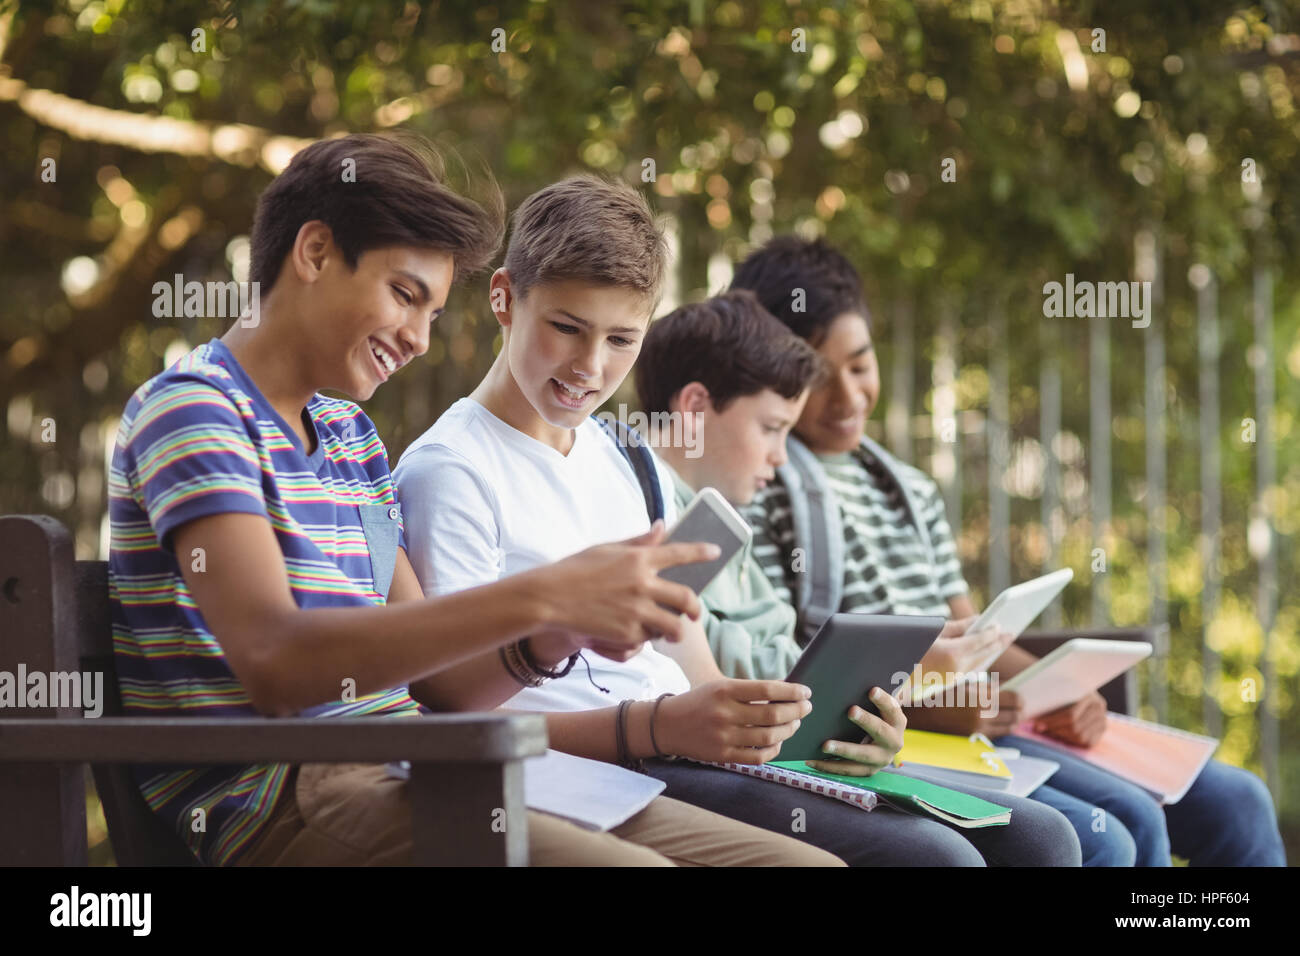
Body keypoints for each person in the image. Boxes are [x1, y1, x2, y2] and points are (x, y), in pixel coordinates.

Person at [107, 131, 831, 868]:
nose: (420, 338)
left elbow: (446, 685)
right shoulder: (197, 410)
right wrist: (546, 597)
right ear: (315, 252)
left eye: (431, 309)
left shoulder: (348, 436)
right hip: (287, 793)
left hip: (422, 766)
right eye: (404, 295)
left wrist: (561, 630)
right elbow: (275, 661)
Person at [395, 185, 1081, 866]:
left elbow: (694, 663)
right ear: (504, 298)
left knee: (1042, 839)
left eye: (622, 339)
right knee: (938, 860)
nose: (591, 366)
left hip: (683, 745)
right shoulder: (452, 471)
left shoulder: (615, 456)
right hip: (603, 765)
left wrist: (815, 730)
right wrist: (661, 727)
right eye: (567, 329)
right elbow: (455, 712)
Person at [730, 234, 1287, 867]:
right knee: (1115, 828)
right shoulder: (765, 484)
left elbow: (975, 633)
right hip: (908, 727)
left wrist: (1061, 694)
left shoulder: (905, 487)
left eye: (860, 365)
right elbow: (797, 667)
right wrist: (939, 703)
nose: (849, 397)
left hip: (979, 714)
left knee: (1240, 801)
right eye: (819, 378)